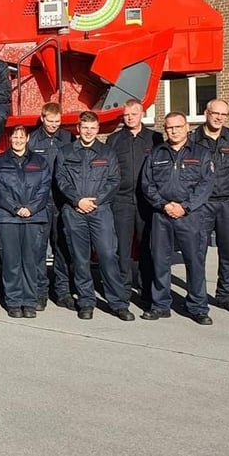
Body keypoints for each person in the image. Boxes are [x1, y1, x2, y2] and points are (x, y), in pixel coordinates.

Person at [54, 111, 135, 321]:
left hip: (100, 211)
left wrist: (95, 201)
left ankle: (118, 303)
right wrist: (76, 200)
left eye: (93, 128)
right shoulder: (65, 152)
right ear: (78, 129)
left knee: (108, 255)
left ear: (98, 129)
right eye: (85, 127)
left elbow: (114, 181)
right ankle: (86, 301)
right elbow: (61, 180)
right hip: (74, 212)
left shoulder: (107, 153)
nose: (89, 131)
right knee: (80, 259)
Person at [140, 112, 215, 325]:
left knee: (195, 262)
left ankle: (198, 307)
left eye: (178, 127)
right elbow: (147, 185)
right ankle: (160, 305)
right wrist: (163, 205)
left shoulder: (201, 153)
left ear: (187, 127)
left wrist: (185, 207)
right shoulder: (156, 154)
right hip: (161, 215)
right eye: (170, 127)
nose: (174, 131)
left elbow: (205, 185)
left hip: (190, 216)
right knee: (160, 262)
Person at [191, 98, 229, 315]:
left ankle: (227, 296)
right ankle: (196, 297)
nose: (219, 118)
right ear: (206, 113)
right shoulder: (193, 140)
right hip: (202, 204)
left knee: (228, 253)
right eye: (216, 113)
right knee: (197, 252)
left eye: (224, 115)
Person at [0, 125, 50, 319]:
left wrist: (30, 208)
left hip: (34, 217)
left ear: (27, 139)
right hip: (7, 218)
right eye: (14, 137)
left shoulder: (40, 162)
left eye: (21, 137)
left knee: (31, 262)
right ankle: (14, 301)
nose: (17, 140)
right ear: (10, 139)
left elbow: (44, 188)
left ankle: (29, 301)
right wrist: (16, 208)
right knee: (11, 261)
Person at [106, 99, 163, 301]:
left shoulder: (155, 138)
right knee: (122, 248)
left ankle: (147, 291)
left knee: (147, 247)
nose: (130, 118)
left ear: (142, 114)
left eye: (134, 114)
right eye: (127, 115)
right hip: (121, 201)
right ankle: (122, 292)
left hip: (146, 202)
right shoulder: (114, 140)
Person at [27, 102, 74, 311]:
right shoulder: (32, 140)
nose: (54, 125)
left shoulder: (68, 139)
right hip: (41, 202)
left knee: (62, 247)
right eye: (50, 121)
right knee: (38, 249)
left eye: (57, 121)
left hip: (62, 201)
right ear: (43, 118)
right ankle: (40, 293)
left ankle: (63, 292)